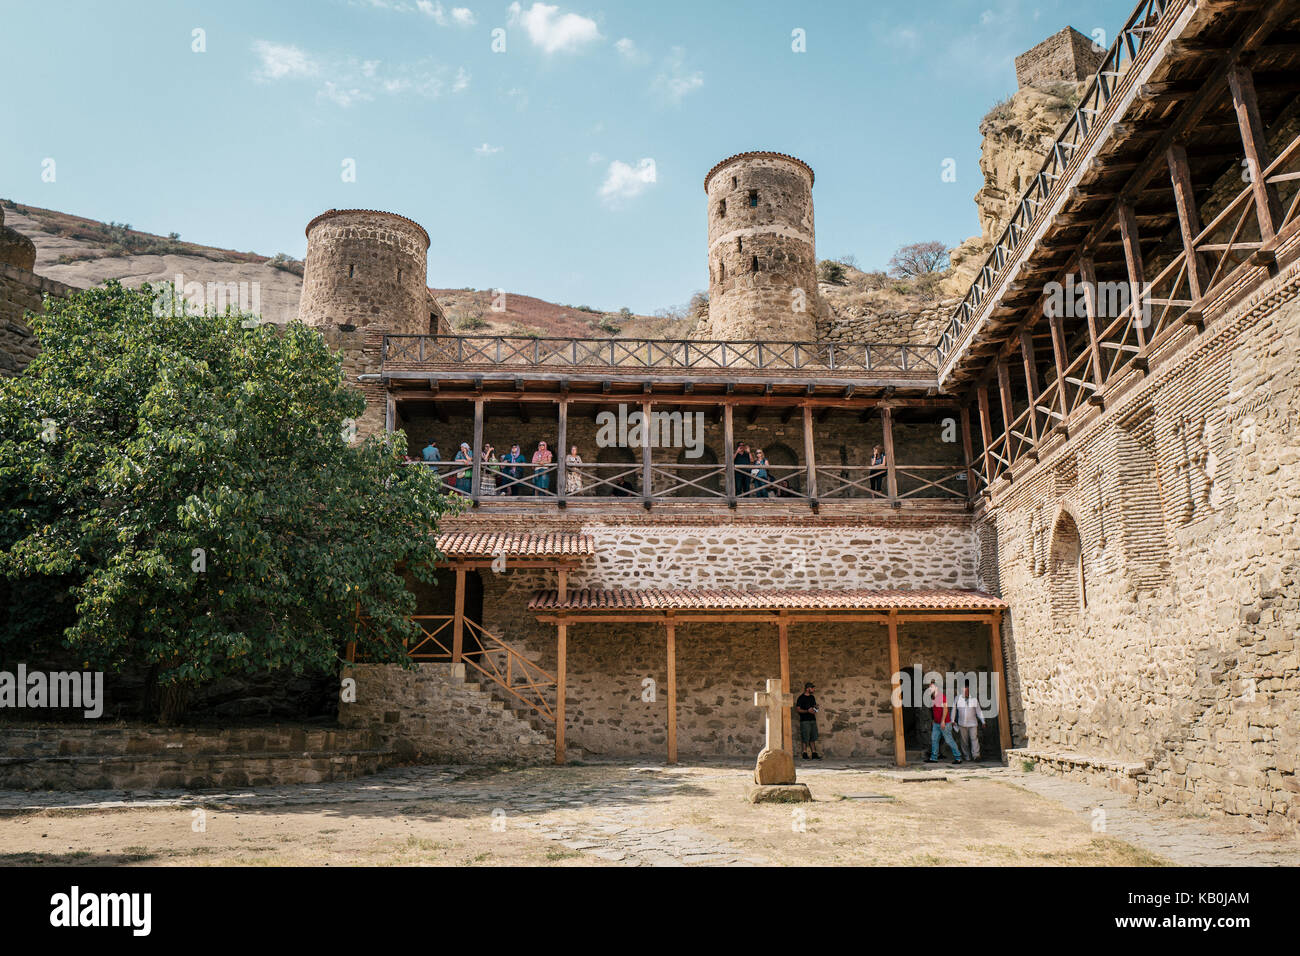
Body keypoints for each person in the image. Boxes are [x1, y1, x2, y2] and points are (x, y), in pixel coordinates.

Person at [926, 678, 963, 765]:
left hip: (944, 723)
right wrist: (934, 720)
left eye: (931, 687)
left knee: (949, 740)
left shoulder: (941, 696)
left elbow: (945, 709)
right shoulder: (933, 697)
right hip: (936, 723)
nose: (930, 688)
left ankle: (958, 758)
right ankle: (934, 758)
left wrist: (942, 721)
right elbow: (934, 710)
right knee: (934, 739)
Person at [953, 681, 985, 762]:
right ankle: (967, 756)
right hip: (962, 723)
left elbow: (979, 711)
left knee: (974, 739)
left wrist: (983, 721)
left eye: (967, 691)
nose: (966, 692)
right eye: (964, 691)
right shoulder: (957, 698)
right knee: (964, 741)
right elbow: (953, 710)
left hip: (973, 723)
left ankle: (976, 756)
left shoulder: (974, 699)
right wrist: (952, 720)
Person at [795, 681, 822, 760]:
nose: (813, 689)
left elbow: (814, 707)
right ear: (807, 689)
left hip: (812, 720)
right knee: (805, 737)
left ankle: (814, 753)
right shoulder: (801, 698)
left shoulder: (812, 697)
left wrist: (816, 709)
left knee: (813, 737)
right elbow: (798, 709)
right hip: (805, 720)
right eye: (812, 688)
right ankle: (804, 752)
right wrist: (807, 711)